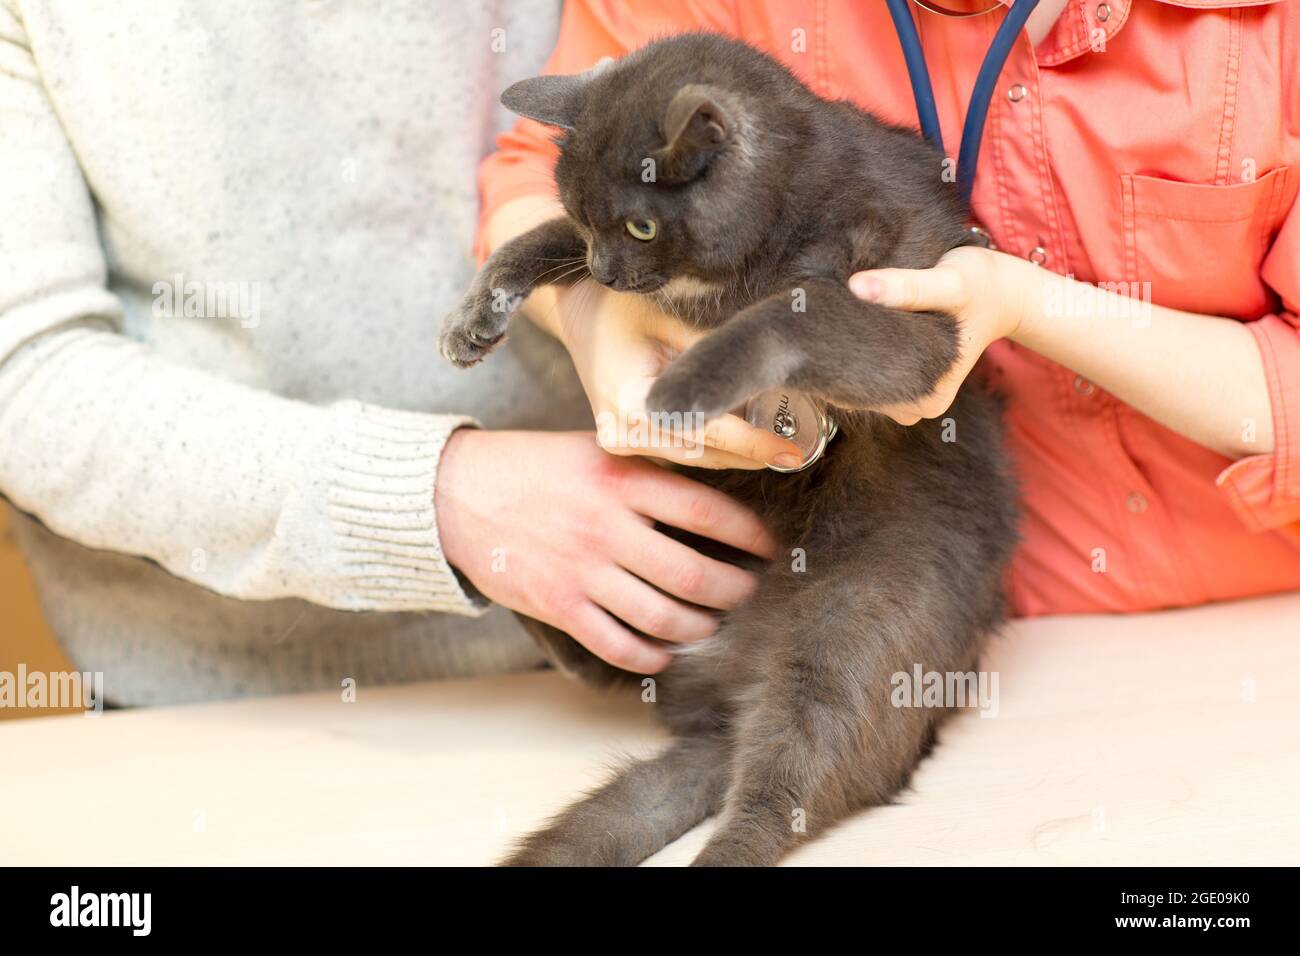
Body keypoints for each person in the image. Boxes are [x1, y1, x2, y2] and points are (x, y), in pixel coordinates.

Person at [473, 0, 1300, 668]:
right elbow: (539, 174)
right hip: (910, 606)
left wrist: (1024, 306)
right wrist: (601, 324)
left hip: (1254, 633)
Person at [0, 1, 779, 705]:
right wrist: (438, 498)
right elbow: (23, 380)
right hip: (205, 705)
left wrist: (592, 309)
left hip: (617, 664)